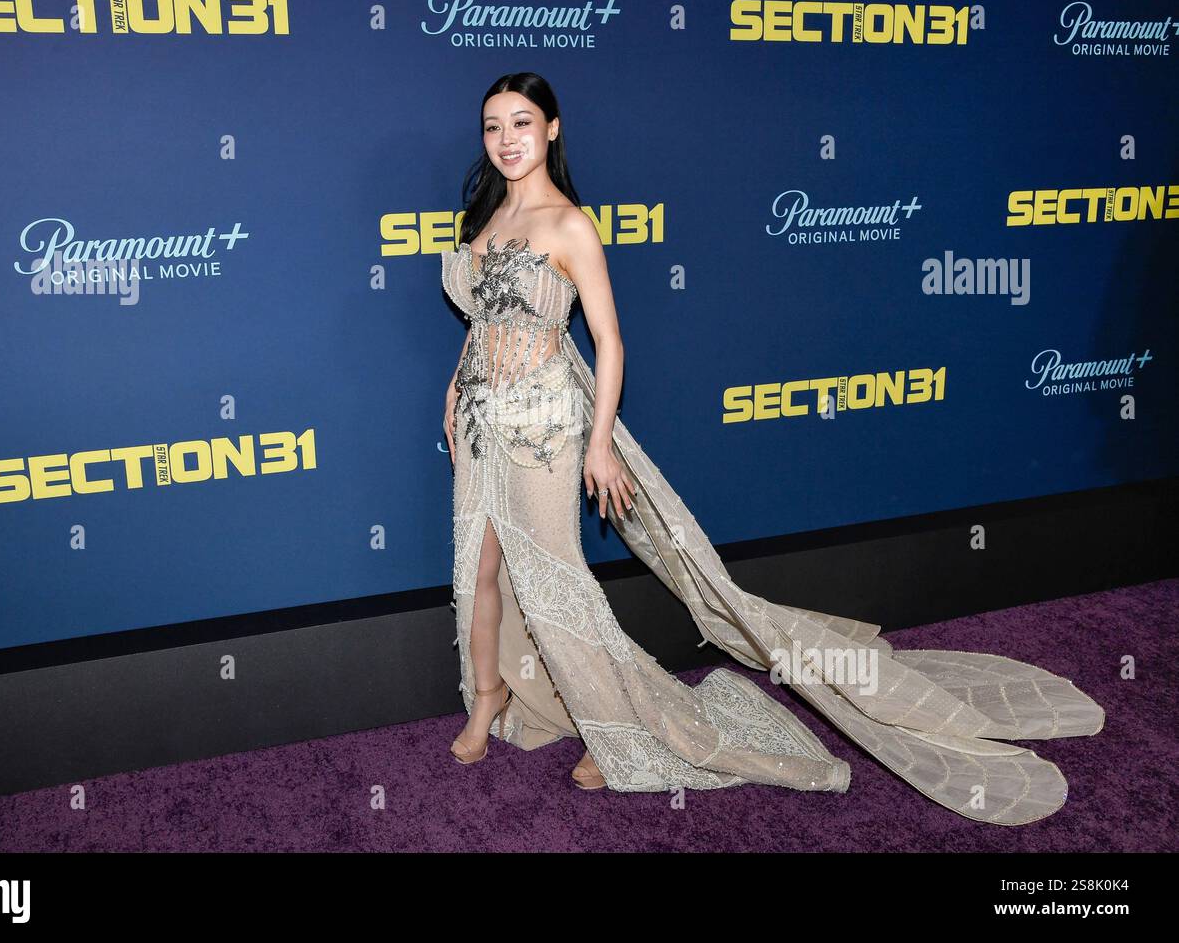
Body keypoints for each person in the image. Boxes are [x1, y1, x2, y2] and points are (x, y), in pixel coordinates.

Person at [439, 72, 1104, 824]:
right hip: (480, 423)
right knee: (477, 573)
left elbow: (610, 341)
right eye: (493, 126)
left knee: (560, 590)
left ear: (552, 130)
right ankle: (489, 693)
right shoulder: (487, 216)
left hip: (547, 432)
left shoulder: (570, 226)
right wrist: (455, 390)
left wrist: (600, 447)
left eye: (522, 123)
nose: (506, 139)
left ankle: (611, 725)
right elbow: (482, 324)